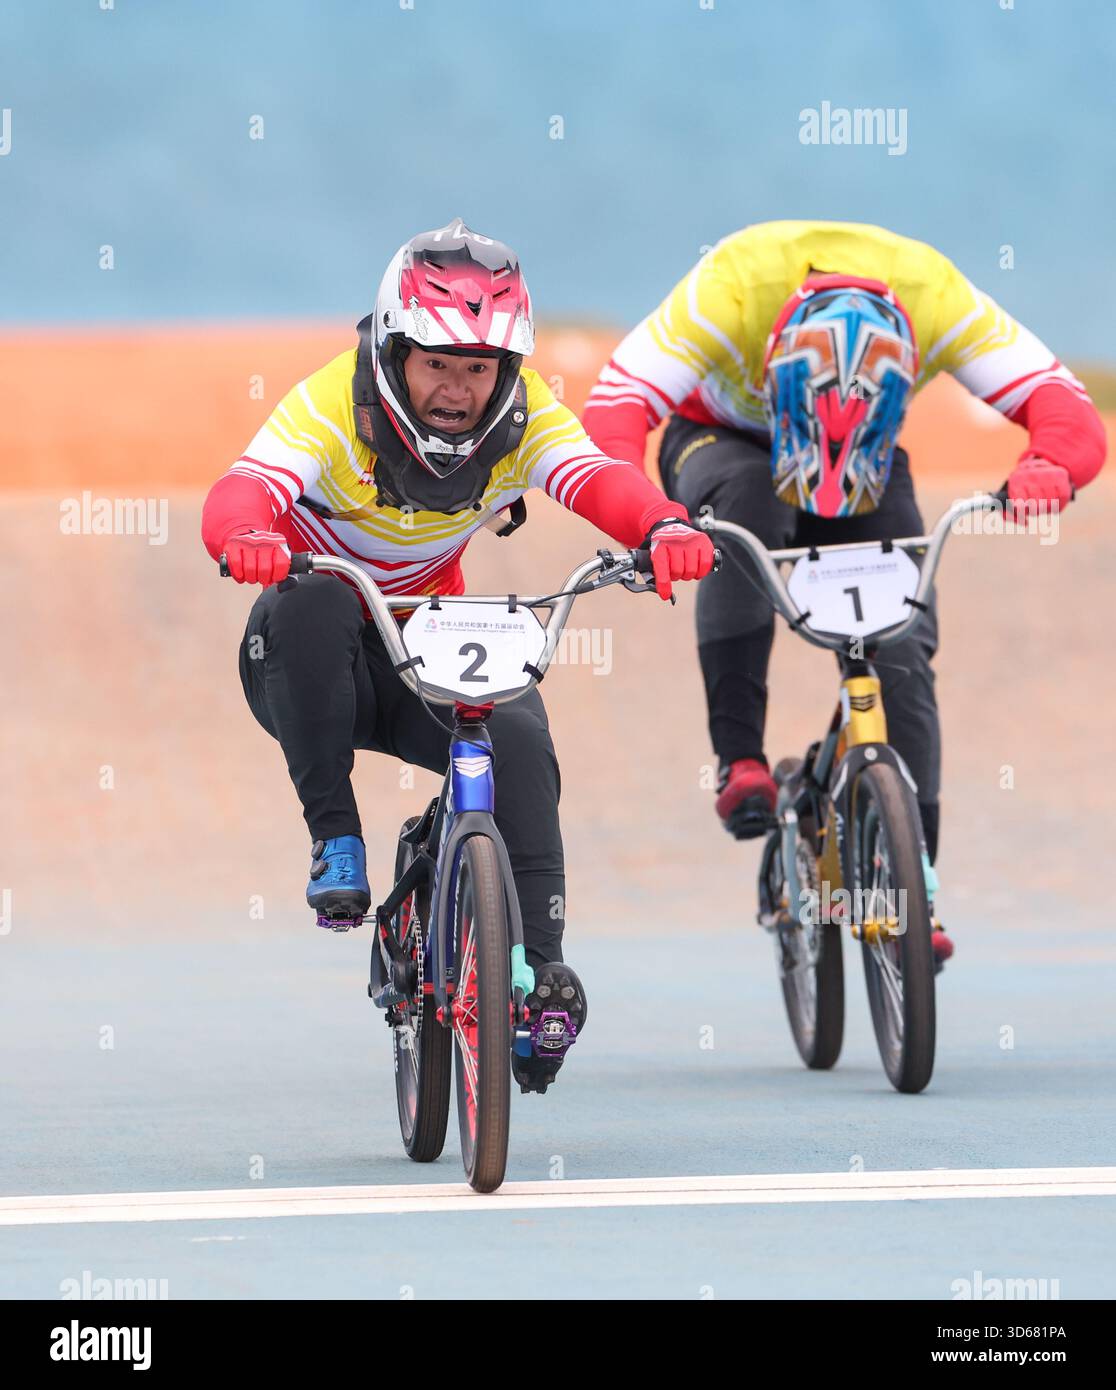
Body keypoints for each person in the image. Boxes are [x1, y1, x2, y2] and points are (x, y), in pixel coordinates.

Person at [202, 219, 714, 1090]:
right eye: (438, 364)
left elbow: (596, 480)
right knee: (316, 596)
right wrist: (248, 535)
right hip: (306, 658)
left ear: (506, 371)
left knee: (517, 729)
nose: (457, 389)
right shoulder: (333, 403)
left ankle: (536, 976)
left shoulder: (521, 419)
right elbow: (241, 491)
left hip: (423, 649)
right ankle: (336, 842)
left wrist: (663, 523)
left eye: (478, 369)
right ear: (395, 352)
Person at [583, 220, 1106, 965]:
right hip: (722, 442)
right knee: (751, 497)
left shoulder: (935, 294)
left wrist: (1050, 464)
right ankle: (741, 760)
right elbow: (612, 413)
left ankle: (915, 884)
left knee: (902, 645)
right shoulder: (731, 286)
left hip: (867, 451)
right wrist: (651, 519)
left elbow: (1066, 408)